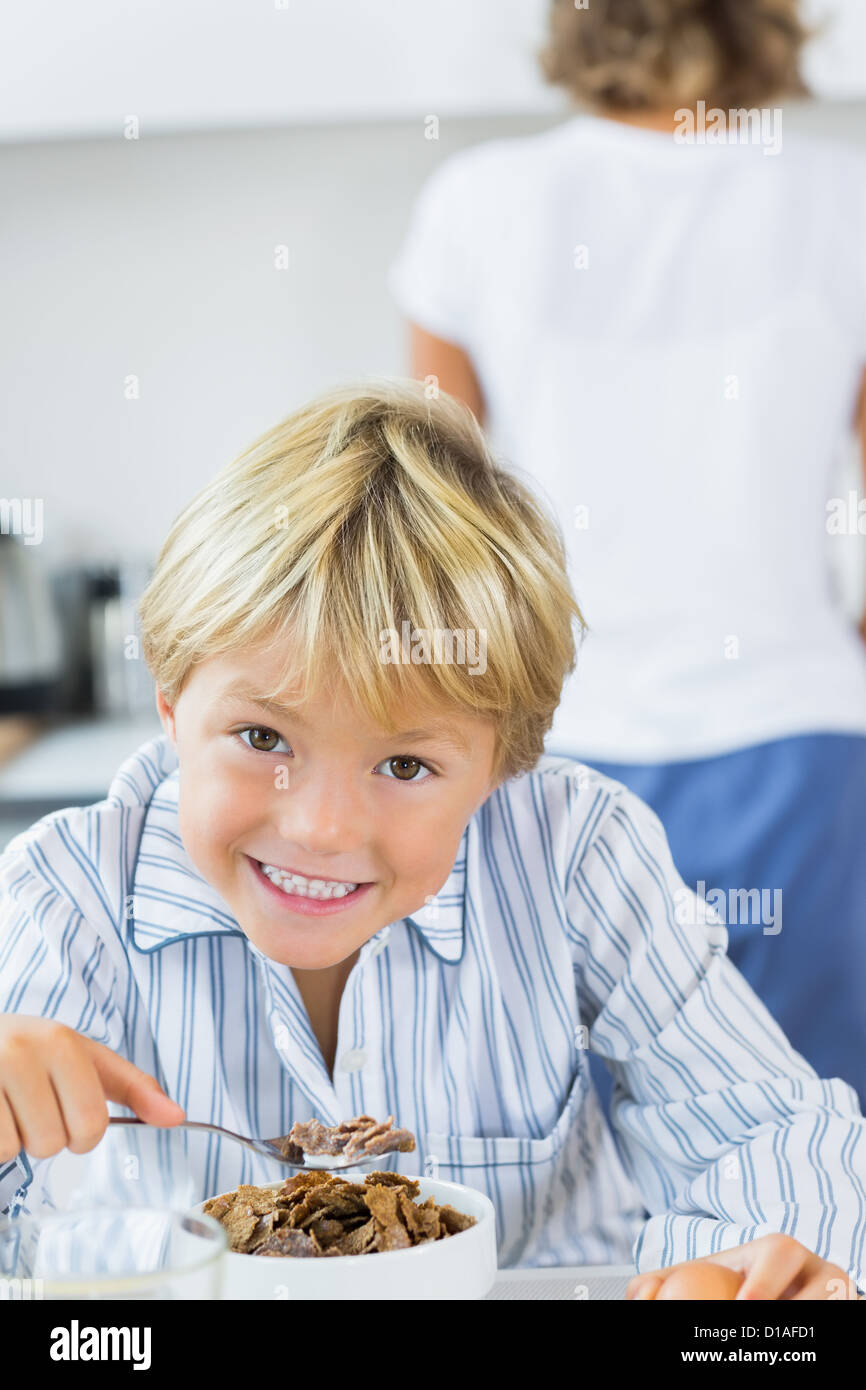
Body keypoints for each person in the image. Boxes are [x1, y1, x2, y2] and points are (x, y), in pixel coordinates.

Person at [0, 380, 863, 1297]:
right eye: (263, 739)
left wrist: (767, 1261)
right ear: (171, 708)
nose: (322, 828)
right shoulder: (68, 894)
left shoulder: (573, 854)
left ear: (502, 767)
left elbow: (766, 1131)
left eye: (405, 766)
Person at [387, 0, 866, 1117]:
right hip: (797, 746)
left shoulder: (476, 202)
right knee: (807, 1155)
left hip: (552, 749)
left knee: (577, 1177)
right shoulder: (839, 199)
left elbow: (431, 515)